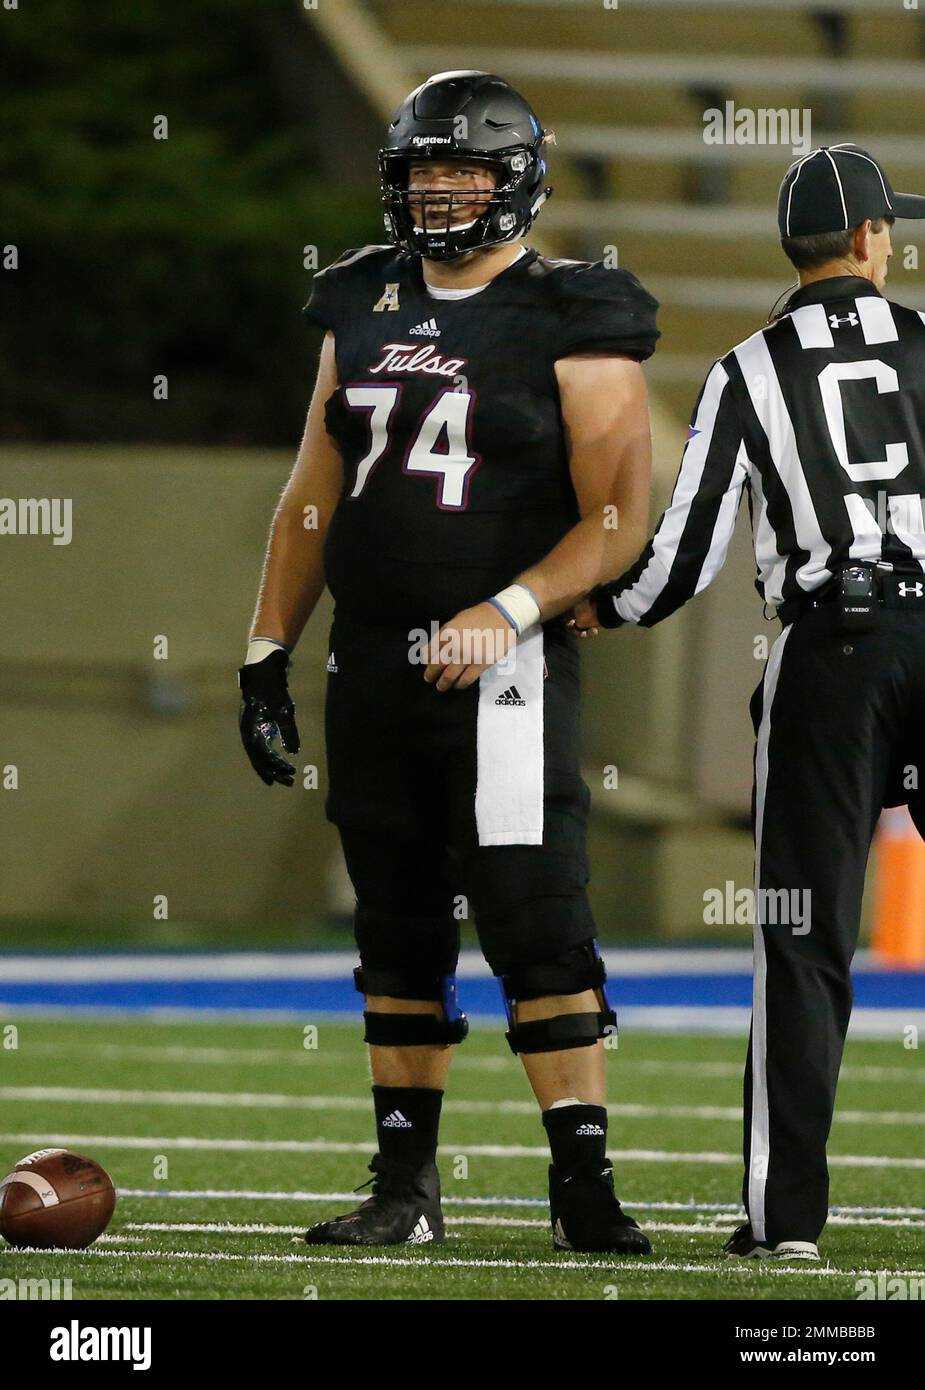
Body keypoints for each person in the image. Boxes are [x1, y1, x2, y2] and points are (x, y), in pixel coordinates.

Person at [238, 69, 659, 1253]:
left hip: (507, 667)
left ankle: (581, 1181)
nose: (439, 193)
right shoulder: (359, 297)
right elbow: (311, 495)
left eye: (464, 171)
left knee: (537, 914)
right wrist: (265, 651)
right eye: (424, 171)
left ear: (515, 179)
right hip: (372, 663)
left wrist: (509, 604)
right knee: (397, 924)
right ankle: (404, 1186)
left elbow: (618, 517)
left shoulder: (579, 309)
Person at [575, 144, 925, 1261]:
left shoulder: (745, 369)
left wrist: (602, 604)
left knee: (802, 942)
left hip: (833, 651)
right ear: (872, 240)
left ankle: (787, 1223)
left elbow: (680, 555)